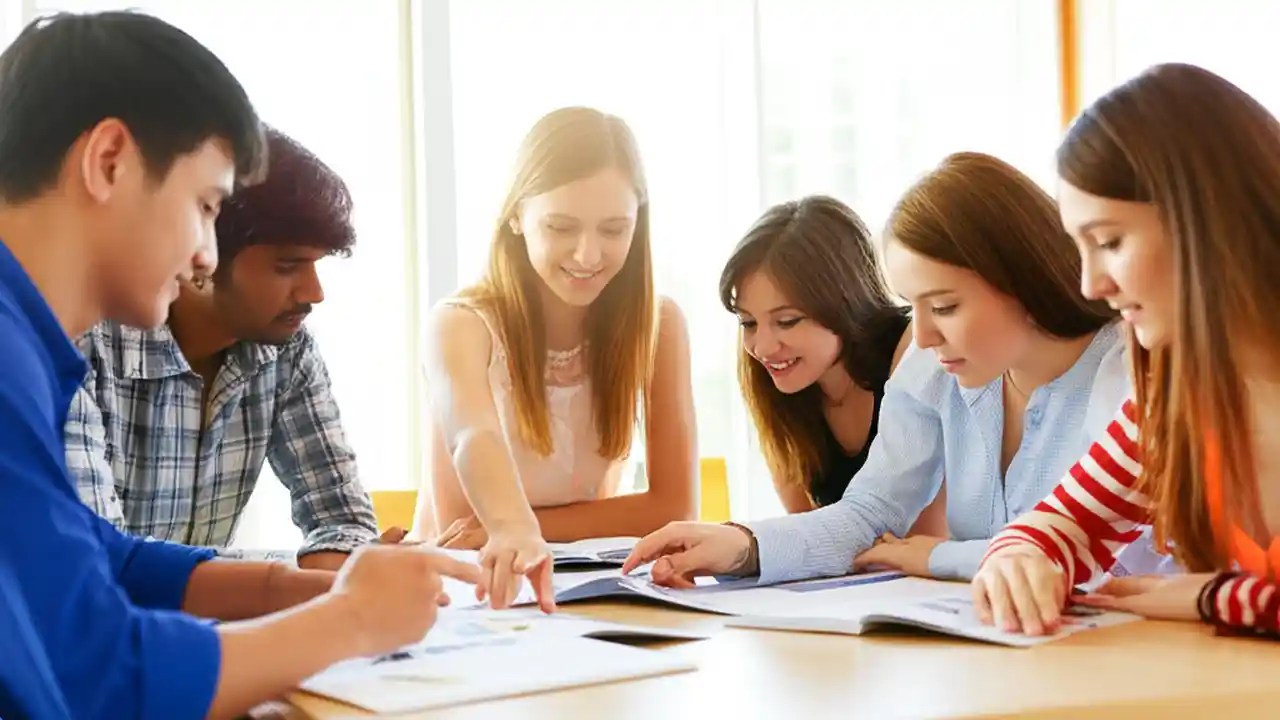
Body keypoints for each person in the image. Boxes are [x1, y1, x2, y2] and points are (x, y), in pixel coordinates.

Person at [0, 12, 478, 719]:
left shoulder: (25, 344)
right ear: (109, 162)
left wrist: (297, 592)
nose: (204, 254)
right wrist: (349, 622)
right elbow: (100, 678)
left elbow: (103, 557)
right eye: (204, 205)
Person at [623, 152, 1127, 585]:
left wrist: (935, 557)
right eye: (914, 305)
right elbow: (870, 513)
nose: (924, 336)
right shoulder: (936, 369)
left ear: (1023, 280)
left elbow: (1086, 555)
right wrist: (741, 545)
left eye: (945, 307)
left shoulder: (1124, 374)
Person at [973, 63, 1280, 639]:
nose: (1092, 285)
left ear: (1208, 218)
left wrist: (1223, 597)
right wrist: (1016, 561)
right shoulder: (1176, 407)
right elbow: (1060, 522)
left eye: (1110, 242)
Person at [415, 106, 698, 609]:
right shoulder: (460, 324)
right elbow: (462, 507)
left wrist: (517, 526)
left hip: (592, 585)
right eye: (561, 226)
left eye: (613, 230)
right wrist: (510, 529)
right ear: (515, 216)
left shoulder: (659, 324)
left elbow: (675, 509)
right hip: (466, 593)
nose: (588, 255)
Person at [64, 125, 380, 571]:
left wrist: (344, 573)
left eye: (316, 265)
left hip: (200, 624)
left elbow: (344, 520)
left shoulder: (286, 351)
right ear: (201, 256)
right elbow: (98, 564)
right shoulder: (82, 346)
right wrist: (306, 585)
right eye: (288, 267)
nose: (314, 292)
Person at [721, 195, 945, 530]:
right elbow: (805, 537)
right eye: (748, 323)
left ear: (844, 302)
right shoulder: (777, 384)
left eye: (787, 321)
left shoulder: (916, 349)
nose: (763, 347)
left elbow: (923, 535)